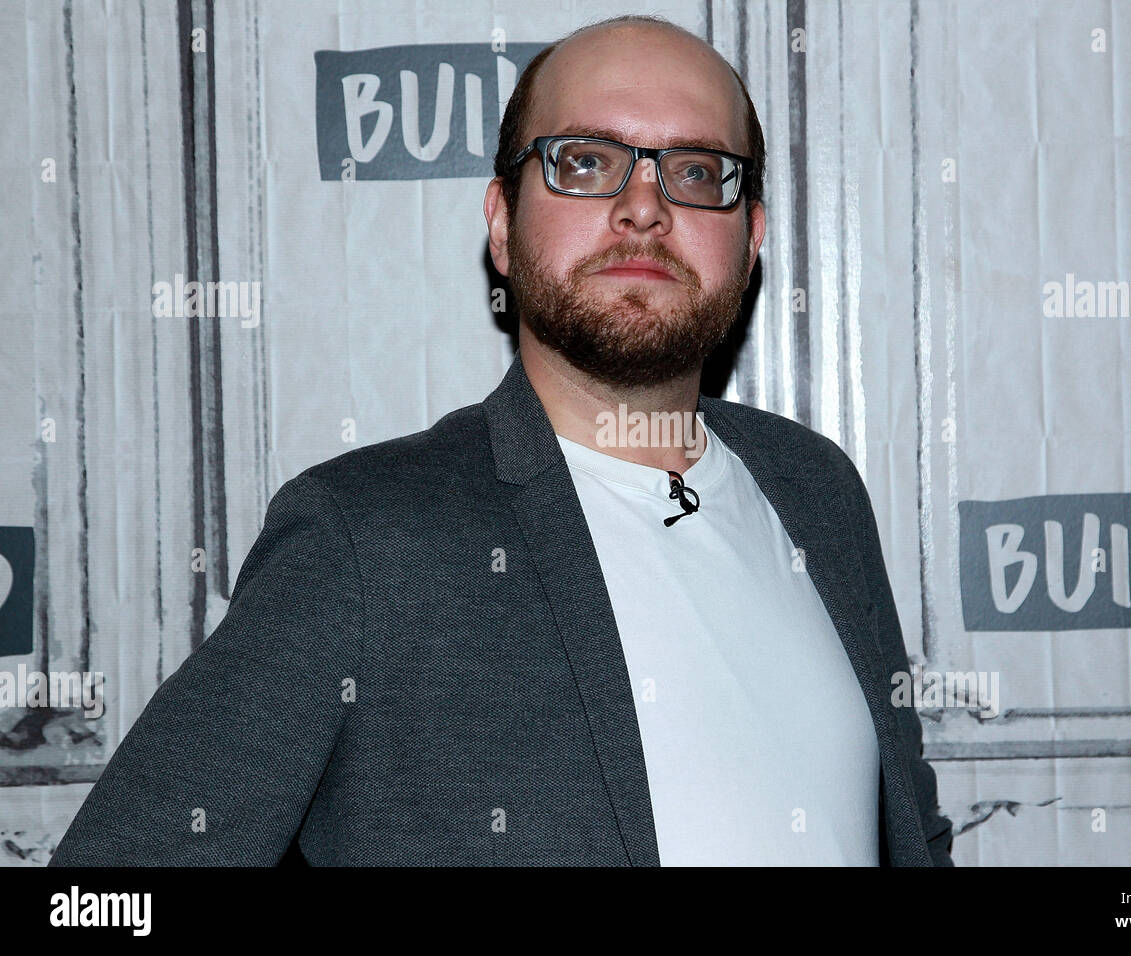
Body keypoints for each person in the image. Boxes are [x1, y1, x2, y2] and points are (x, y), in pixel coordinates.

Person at [49, 14, 953, 866]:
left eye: (695, 172)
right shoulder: (365, 537)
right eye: (586, 161)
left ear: (750, 238)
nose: (645, 205)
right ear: (501, 224)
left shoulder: (817, 490)